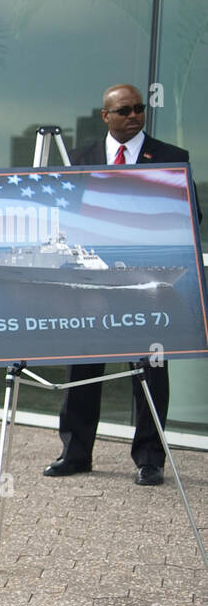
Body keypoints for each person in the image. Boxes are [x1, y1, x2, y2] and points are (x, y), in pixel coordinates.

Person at [44, 83, 197, 487]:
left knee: (151, 369)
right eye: (124, 110)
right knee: (83, 368)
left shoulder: (171, 158)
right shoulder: (78, 160)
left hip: (143, 283)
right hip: (89, 283)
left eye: (138, 109)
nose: (133, 116)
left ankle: (150, 459)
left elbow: (189, 217)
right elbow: (60, 219)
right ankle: (75, 454)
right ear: (105, 116)